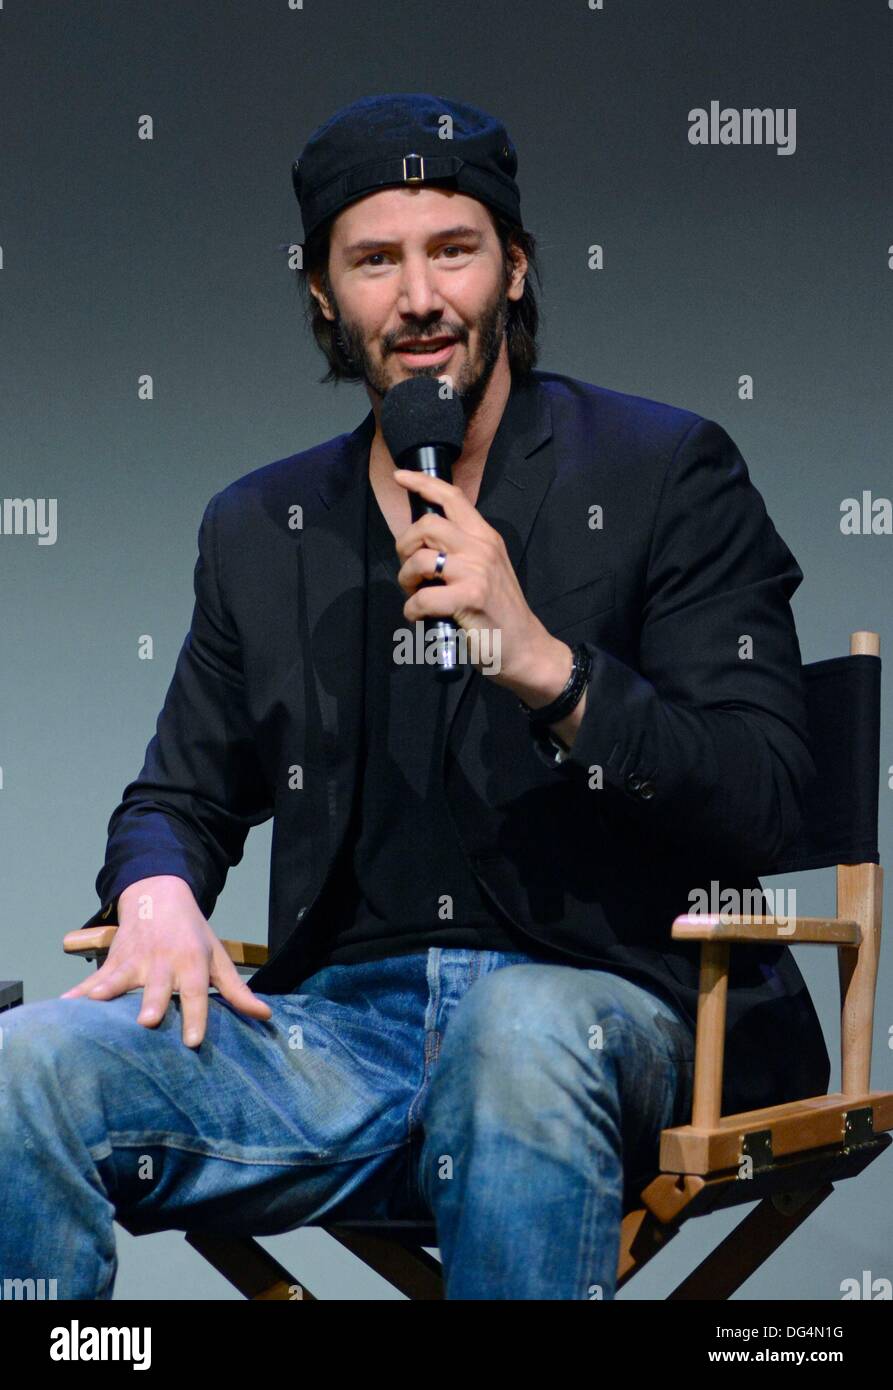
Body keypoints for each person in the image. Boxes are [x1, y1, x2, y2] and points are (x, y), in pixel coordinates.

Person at [0, 93, 830, 1300]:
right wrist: (159, 885)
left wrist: (550, 667)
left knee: (514, 1035)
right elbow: (177, 790)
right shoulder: (260, 526)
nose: (420, 296)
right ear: (323, 297)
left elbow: (759, 798)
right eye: (374, 260)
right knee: (24, 1061)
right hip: (342, 1038)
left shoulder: (664, 471)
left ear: (516, 269)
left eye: (453, 249)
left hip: (614, 1018)